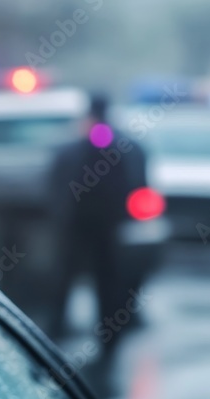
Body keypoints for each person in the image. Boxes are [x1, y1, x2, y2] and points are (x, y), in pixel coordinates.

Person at [48, 93, 149, 353]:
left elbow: (54, 186)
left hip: (80, 227)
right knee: (107, 283)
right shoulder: (126, 148)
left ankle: (57, 333)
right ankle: (106, 337)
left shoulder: (71, 149)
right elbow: (138, 186)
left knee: (67, 280)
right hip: (107, 229)